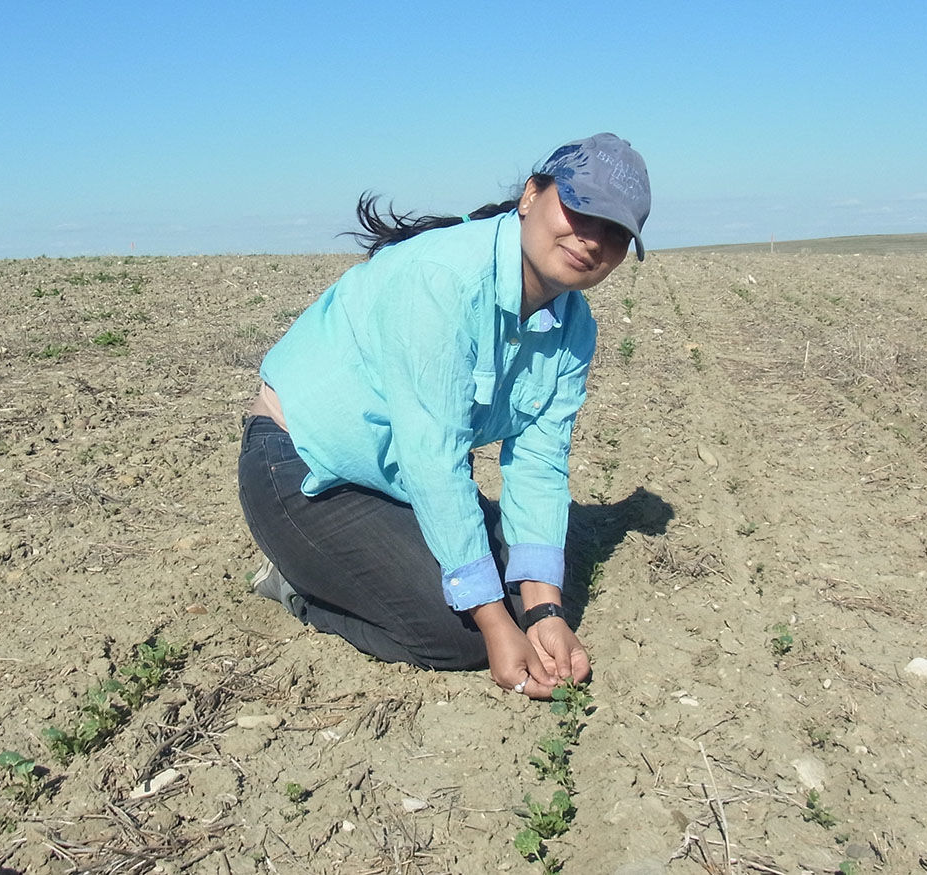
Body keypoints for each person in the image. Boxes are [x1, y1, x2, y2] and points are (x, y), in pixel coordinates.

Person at [237, 133, 651, 700]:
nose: (592, 241)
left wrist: (545, 611)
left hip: (395, 480)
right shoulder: (442, 280)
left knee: (523, 580)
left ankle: (372, 569)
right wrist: (498, 624)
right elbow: (434, 458)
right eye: (580, 211)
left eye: (615, 233)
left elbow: (539, 462)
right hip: (301, 466)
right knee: (462, 635)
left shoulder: (574, 328)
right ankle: (300, 585)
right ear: (531, 195)